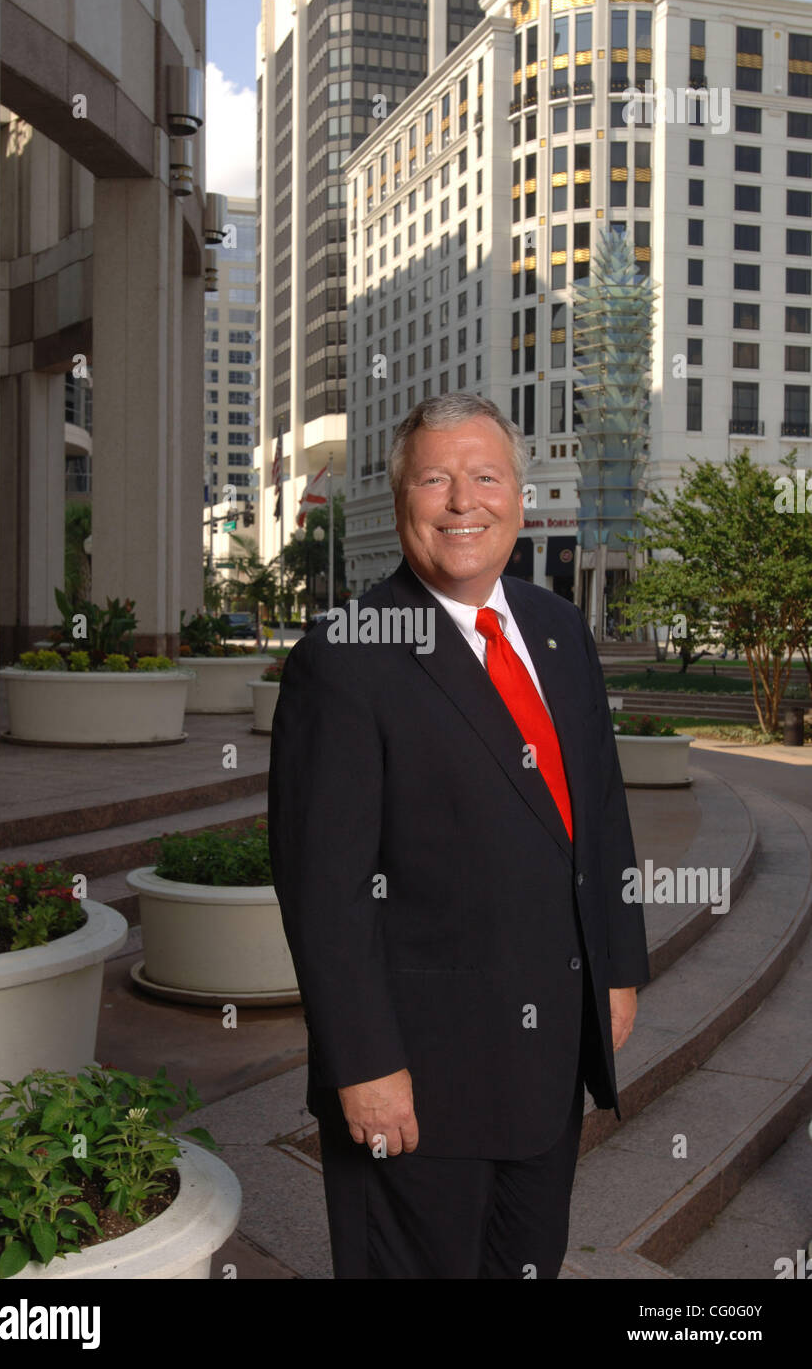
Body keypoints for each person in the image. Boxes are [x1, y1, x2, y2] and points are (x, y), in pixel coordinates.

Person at [268, 393, 649, 1280]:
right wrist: (361, 1064)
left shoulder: (557, 631)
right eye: (434, 479)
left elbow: (597, 814)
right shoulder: (348, 651)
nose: (460, 501)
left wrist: (617, 965)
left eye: (484, 477)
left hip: (546, 1060)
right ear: (402, 498)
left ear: (518, 495)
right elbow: (323, 887)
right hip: (417, 1080)